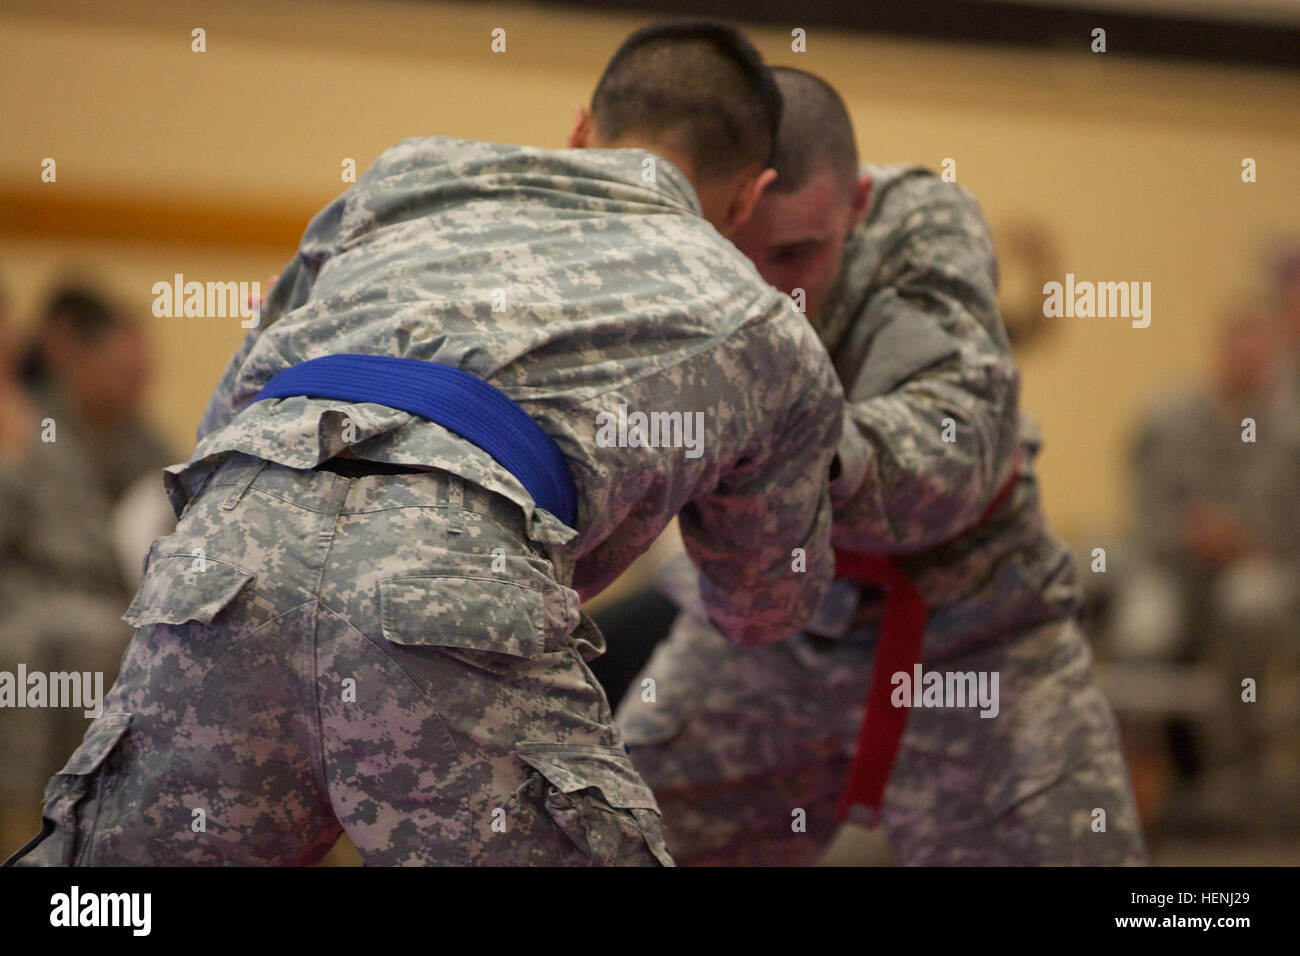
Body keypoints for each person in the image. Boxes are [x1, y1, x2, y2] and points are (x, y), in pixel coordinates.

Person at [4, 21, 843, 867]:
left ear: (582, 128)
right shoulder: (761, 320)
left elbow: (226, 414)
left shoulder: (406, 174)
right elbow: (762, 607)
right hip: (449, 578)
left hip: (230, 555)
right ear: (748, 197)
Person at [615, 66, 1148, 866]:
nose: (769, 294)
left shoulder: (921, 227)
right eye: (738, 256)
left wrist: (786, 449)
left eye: (798, 253)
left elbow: (956, 440)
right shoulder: (658, 245)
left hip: (974, 633)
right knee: (604, 844)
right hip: (764, 635)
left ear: (855, 204)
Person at [0, 283, 172, 856]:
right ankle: (24, 821)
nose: (140, 383)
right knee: (34, 646)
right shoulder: (35, 422)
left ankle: (107, 824)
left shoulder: (144, 440)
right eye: (124, 368)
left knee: (119, 640)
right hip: (30, 588)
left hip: (112, 595)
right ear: (77, 356)